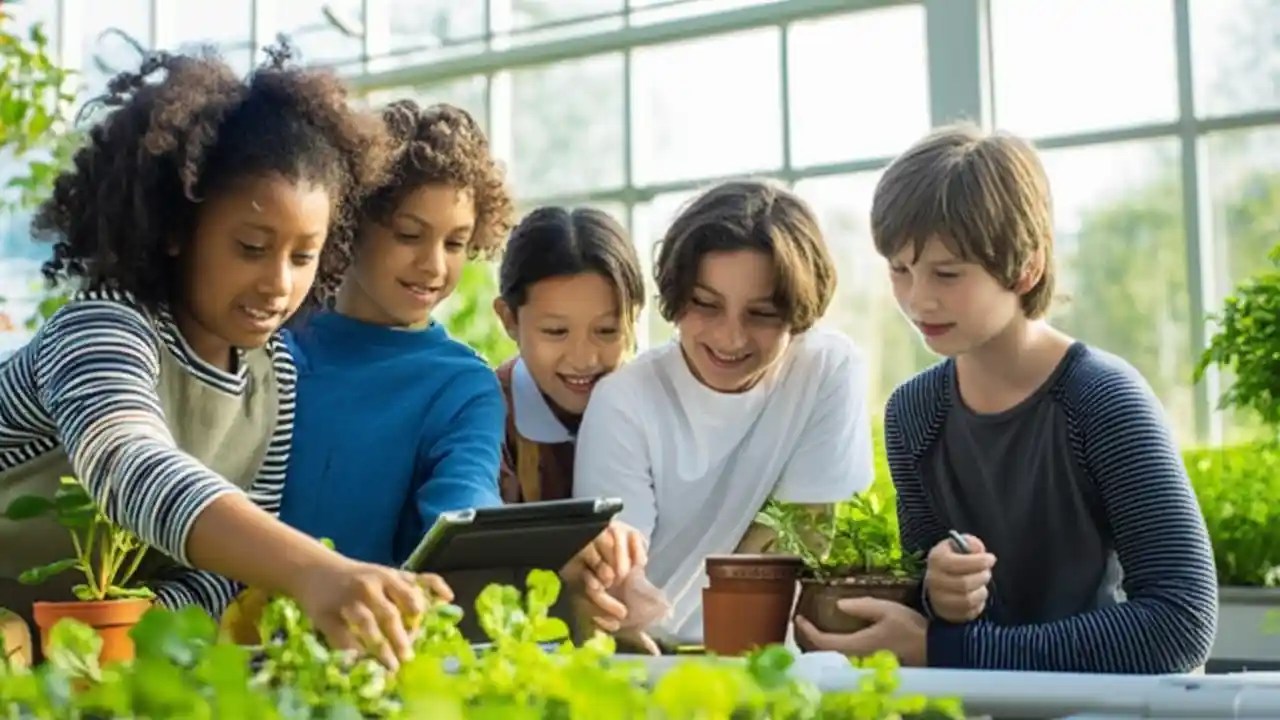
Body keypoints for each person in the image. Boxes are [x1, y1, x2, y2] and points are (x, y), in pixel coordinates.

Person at [0, 46, 447, 670]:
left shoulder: (275, 376)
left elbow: (222, 571)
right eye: (251, 247)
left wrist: (122, 639)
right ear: (177, 230)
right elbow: (129, 464)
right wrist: (316, 572)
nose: (277, 284)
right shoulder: (102, 328)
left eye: (302, 256)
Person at [793, 124, 1218, 674]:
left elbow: (1181, 622)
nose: (918, 299)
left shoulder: (1103, 400)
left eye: (947, 273)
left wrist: (946, 648)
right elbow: (934, 608)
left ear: (1027, 267)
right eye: (901, 270)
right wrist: (940, 596)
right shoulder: (914, 414)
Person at [572, 180, 875, 649]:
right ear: (676, 296)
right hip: (645, 651)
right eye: (706, 305)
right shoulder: (626, 401)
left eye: (762, 314)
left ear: (797, 314)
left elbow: (806, 531)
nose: (730, 339)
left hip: (763, 650)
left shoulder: (827, 368)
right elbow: (616, 583)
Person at [279, 100, 515, 567]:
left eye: (455, 243)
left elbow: (466, 496)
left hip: (373, 631)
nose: (433, 266)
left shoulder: (462, 385)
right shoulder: (274, 339)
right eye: (409, 235)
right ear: (351, 223)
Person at [491, 206, 657, 647]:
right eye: (555, 332)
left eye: (606, 331)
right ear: (508, 319)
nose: (584, 358)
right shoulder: (486, 415)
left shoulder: (653, 407)